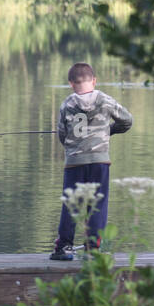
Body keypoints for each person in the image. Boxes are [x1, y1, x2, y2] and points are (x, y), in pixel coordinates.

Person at [50, 62, 133, 260]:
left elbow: (62, 134)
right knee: (98, 204)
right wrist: (109, 130)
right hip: (99, 162)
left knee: (71, 204)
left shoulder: (67, 104)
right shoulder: (104, 100)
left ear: (71, 83)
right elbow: (127, 120)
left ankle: (64, 247)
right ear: (94, 80)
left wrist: (72, 148)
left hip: (74, 163)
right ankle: (93, 249)